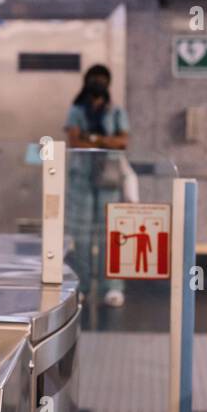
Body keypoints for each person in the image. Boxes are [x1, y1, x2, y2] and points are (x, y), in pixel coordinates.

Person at [63, 65, 136, 308]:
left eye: (102, 80)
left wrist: (92, 138)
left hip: (108, 179)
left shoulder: (115, 111)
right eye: (94, 80)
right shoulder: (76, 110)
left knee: (110, 234)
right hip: (81, 180)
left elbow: (123, 141)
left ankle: (113, 287)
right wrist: (106, 140)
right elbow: (74, 141)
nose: (97, 84)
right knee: (81, 235)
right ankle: (80, 286)